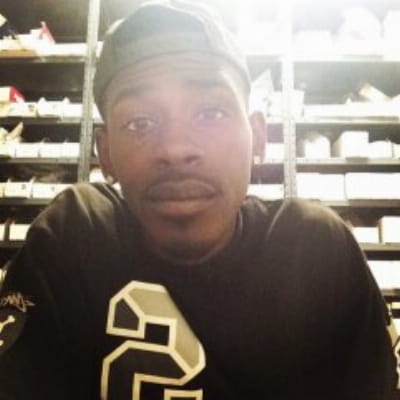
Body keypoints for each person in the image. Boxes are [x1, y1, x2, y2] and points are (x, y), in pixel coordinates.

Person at [0, 1, 398, 399]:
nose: (175, 149)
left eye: (211, 113)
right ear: (104, 153)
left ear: (259, 137)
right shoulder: (72, 240)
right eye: (140, 122)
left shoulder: (317, 253)